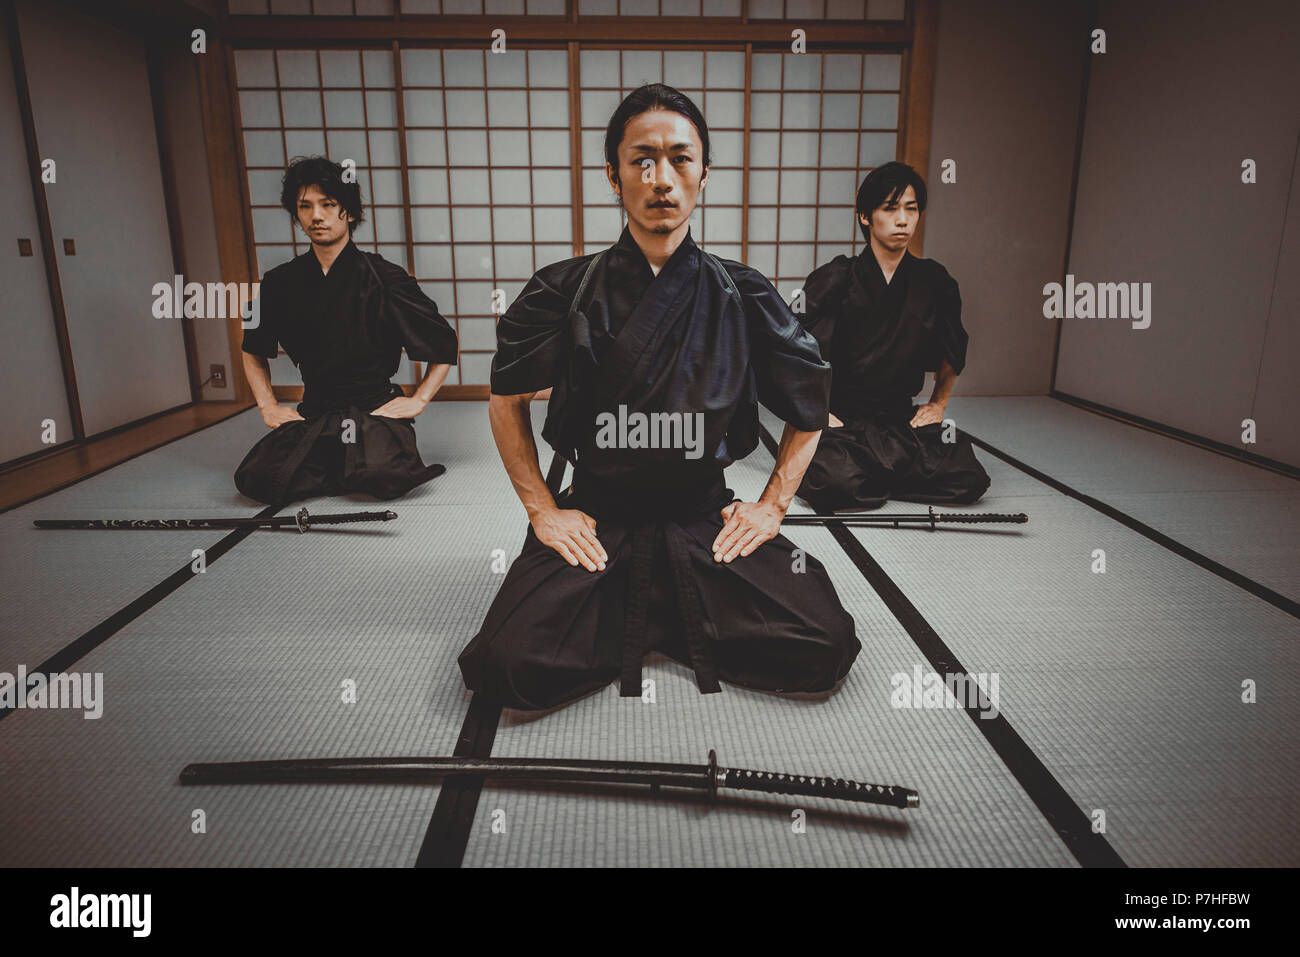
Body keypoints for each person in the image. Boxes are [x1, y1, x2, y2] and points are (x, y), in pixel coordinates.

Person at [458, 85, 860, 712]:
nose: (661, 179)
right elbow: (505, 398)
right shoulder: (560, 290)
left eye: (680, 158)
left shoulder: (743, 293)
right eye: (642, 159)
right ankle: (670, 611)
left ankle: (636, 614)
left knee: (825, 641)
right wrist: (544, 512)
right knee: (507, 665)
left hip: (704, 517)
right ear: (614, 178)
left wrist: (772, 508)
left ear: (704, 173)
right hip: (597, 516)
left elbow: (810, 404)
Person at [235, 156, 458, 505]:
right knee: (259, 479)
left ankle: (343, 462)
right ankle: (335, 460)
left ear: (350, 213)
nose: (316, 216)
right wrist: (268, 406)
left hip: (374, 410)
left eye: (328, 204)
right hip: (316, 411)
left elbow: (443, 343)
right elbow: (252, 348)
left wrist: (418, 400)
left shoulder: (385, 278)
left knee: (382, 475)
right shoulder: (280, 283)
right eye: (305, 207)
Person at [795, 162, 990, 511]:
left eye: (911, 210)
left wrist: (938, 405)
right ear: (866, 216)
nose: (903, 220)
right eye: (890, 209)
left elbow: (953, 347)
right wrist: (817, 411)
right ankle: (888, 474)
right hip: (844, 423)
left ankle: (877, 475)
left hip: (901, 421)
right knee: (831, 481)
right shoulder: (836, 277)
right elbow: (796, 349)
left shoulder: (934, 281)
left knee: (968, 476)